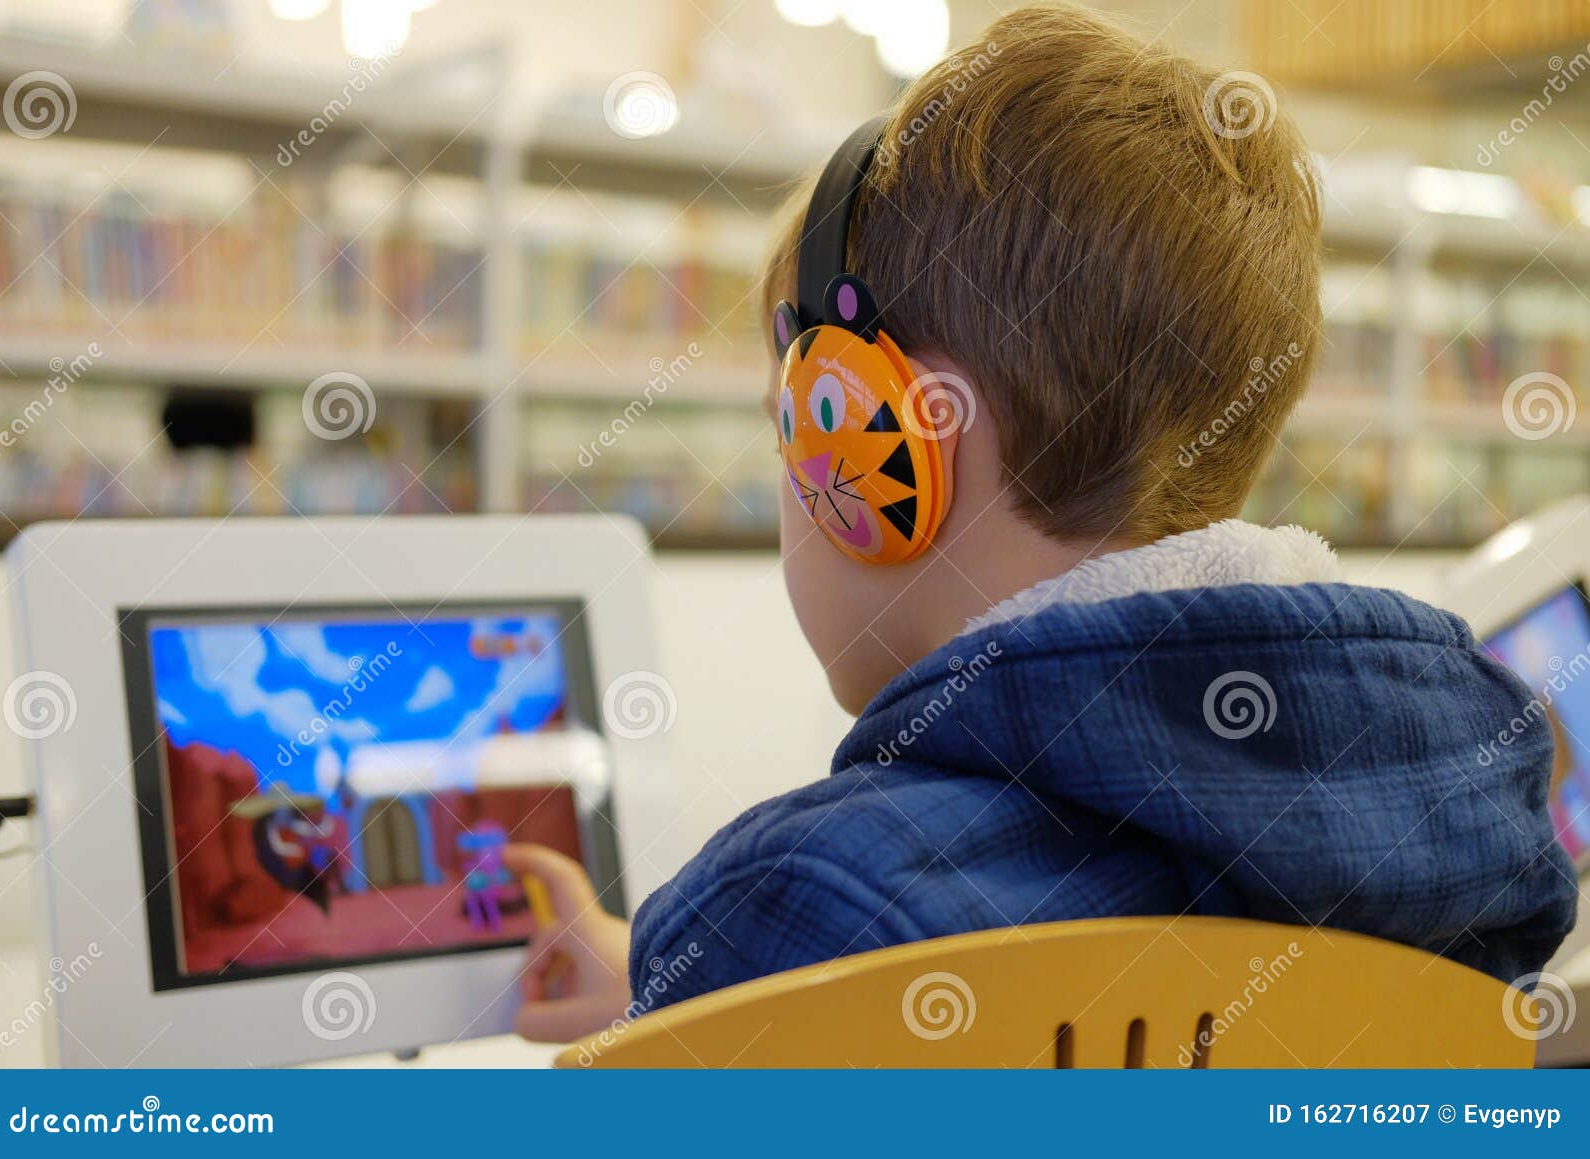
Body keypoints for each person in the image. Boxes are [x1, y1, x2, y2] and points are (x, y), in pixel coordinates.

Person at [509, 1, 1576, 1044]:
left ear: (881, 445)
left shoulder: (811, 903)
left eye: (791, 435)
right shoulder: (1471, 821)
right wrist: (665, 993)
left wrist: (699, 979)